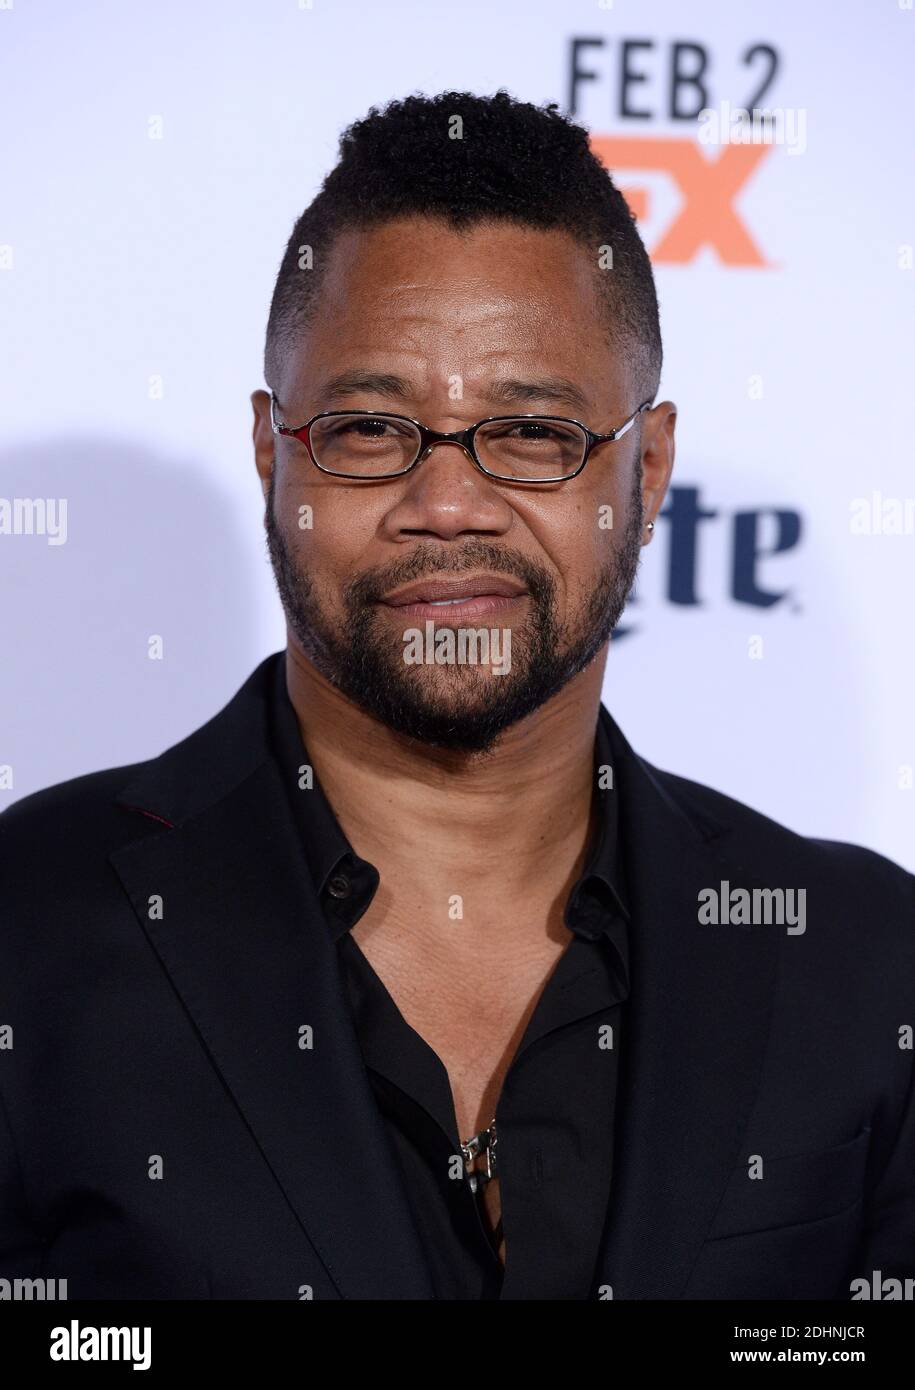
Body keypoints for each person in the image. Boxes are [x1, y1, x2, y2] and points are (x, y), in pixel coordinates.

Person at [1, 90, 912, 1301]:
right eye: (370, 430)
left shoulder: (860, 955)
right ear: (273, 456)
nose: (447, 505)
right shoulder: (27, 923)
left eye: (532, 431)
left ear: (648, 473)